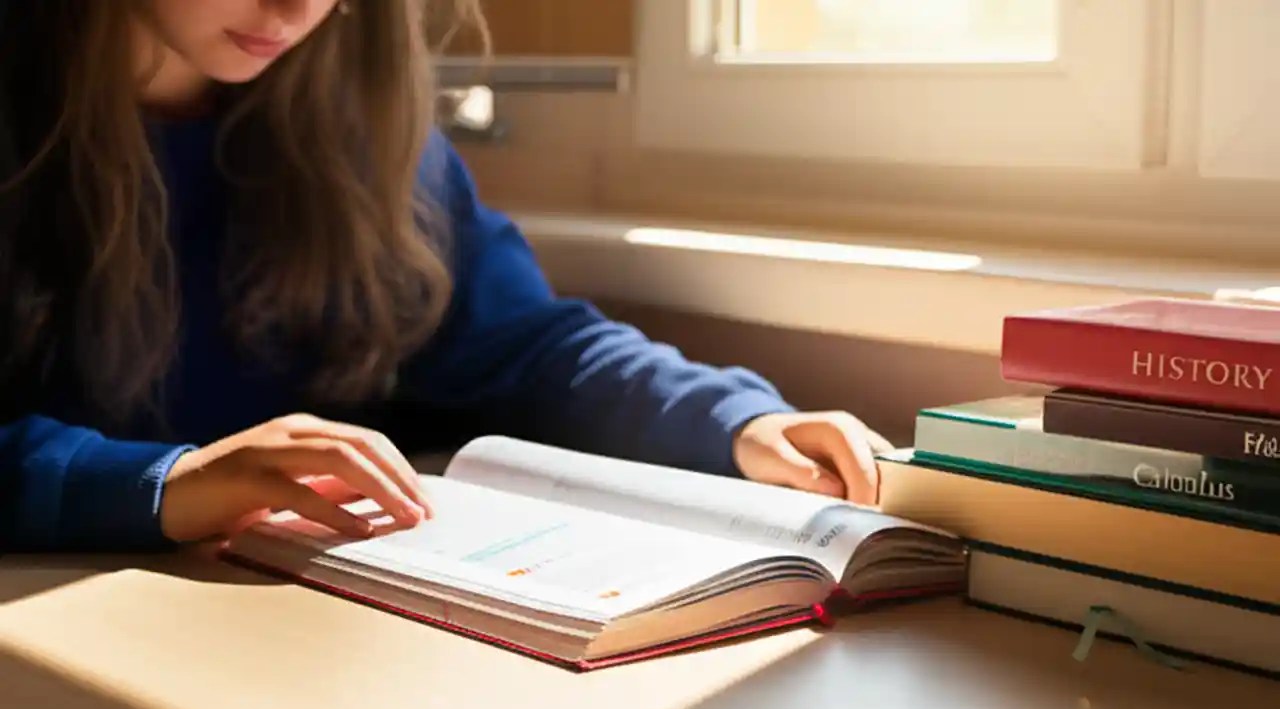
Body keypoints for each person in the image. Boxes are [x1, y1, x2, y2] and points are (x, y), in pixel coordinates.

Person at [0, 0, 891, 552]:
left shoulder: (353, 127)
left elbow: (525, 344)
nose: (298, 5)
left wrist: (736, 420)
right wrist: (161, 483)